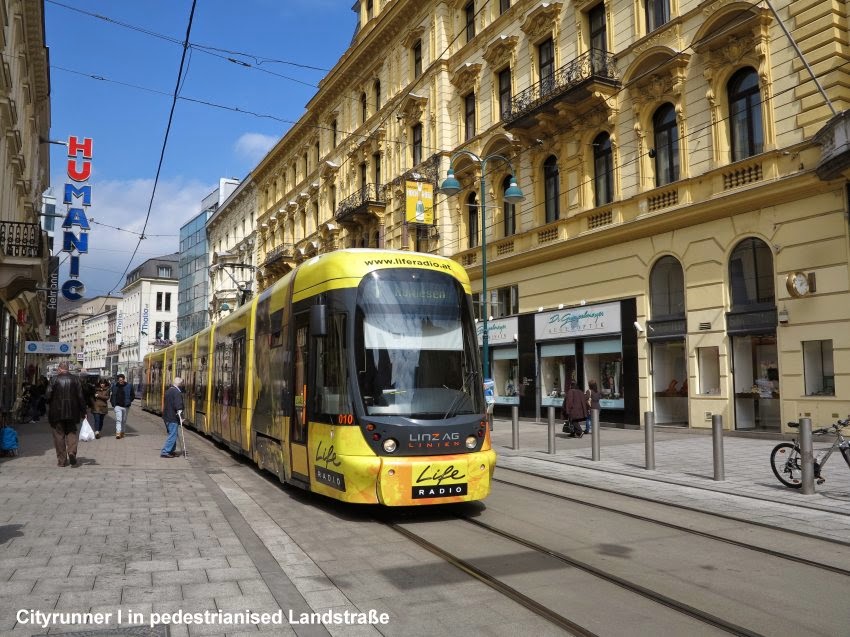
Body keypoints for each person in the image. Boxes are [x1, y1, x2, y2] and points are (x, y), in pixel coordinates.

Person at [44, 361, 88, 467]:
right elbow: (81, 397)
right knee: (71, 432)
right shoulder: (75, 379)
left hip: (56, 413)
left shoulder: (54, 379)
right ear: (68, 369)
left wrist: (49, 403)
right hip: (73, 412)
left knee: (59, 435)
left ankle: (62, 461)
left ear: (60, 369)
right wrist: (84, 411)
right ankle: (72, 452)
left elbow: (47, 395)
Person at [161, 377, 184, 458]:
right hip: (172, 417)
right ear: (180, 384)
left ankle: (171, 450)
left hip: (166, 416)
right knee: (173, 435)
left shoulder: (169, 391)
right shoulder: (177, 392)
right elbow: (178, 405)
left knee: (173, 434)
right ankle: (165, 451)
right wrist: (181, 416)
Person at [110, 373, 135, 439]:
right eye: (119, 380)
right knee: (119, 420)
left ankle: (122, 432)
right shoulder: (115, 386)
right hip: (117, 406)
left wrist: (129, 401)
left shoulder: (129, 386)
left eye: (122, 380)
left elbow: (132, 395)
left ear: (124, 379)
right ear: (118, 380)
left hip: (126, 406)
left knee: (124, 420)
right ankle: (118, 433)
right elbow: (112, 395)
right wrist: (113, 404)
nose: (120, 381)